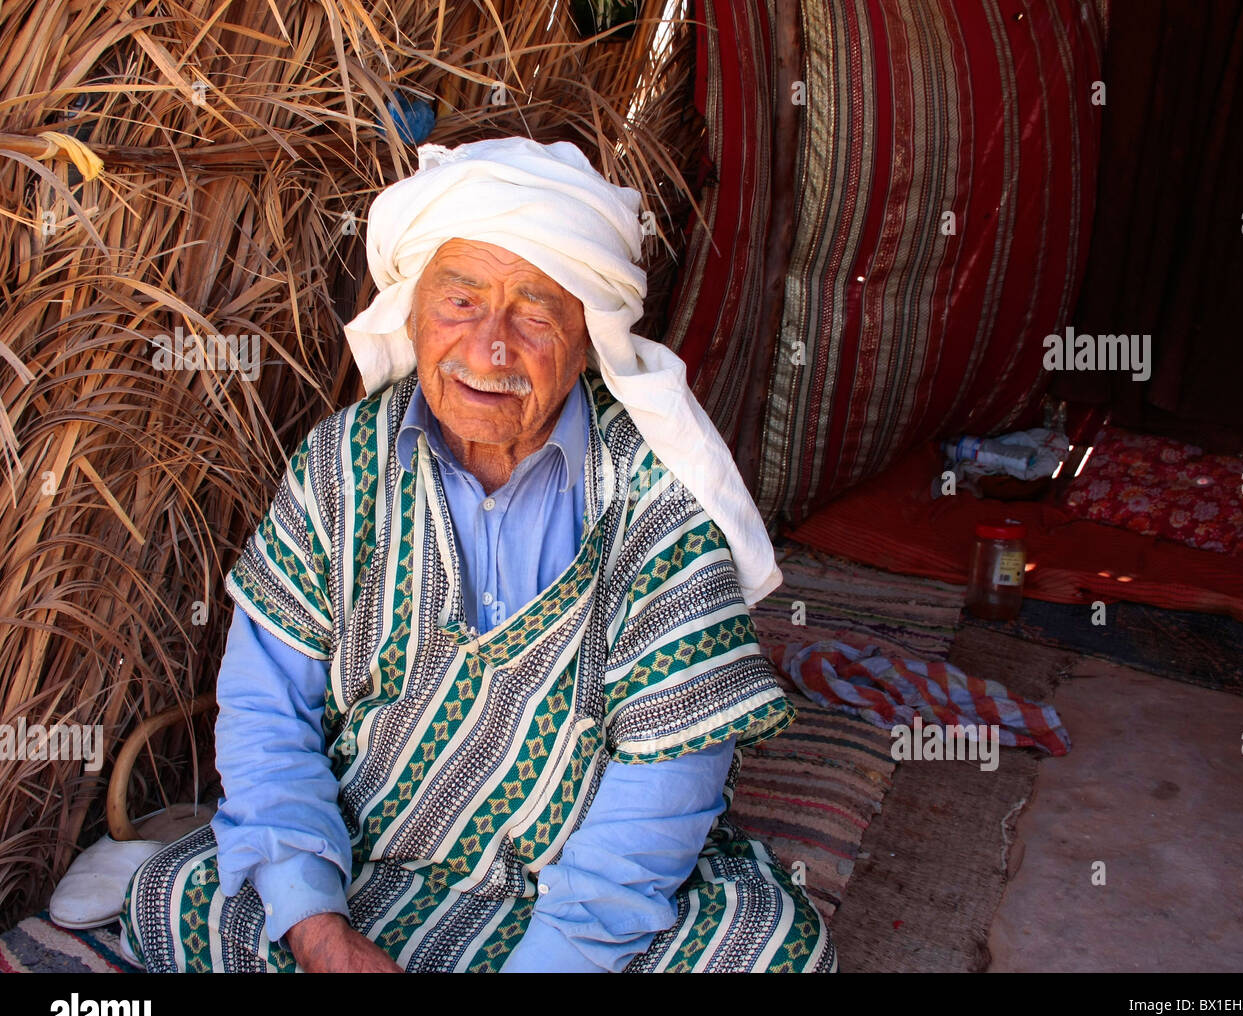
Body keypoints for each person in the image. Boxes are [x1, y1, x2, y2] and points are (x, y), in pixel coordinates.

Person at [120, 137, 836, 973]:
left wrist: (555, 959)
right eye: (460, 302)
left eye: (533, 312)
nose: (491, 349)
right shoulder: (340, 468)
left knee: (766, 949)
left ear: (586, 335)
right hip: (368, 862)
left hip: (574, 895)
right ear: (415, 314)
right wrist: (322, 933)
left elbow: (668, 784)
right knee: (174, 898)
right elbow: (266, 709)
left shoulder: (657, 498)